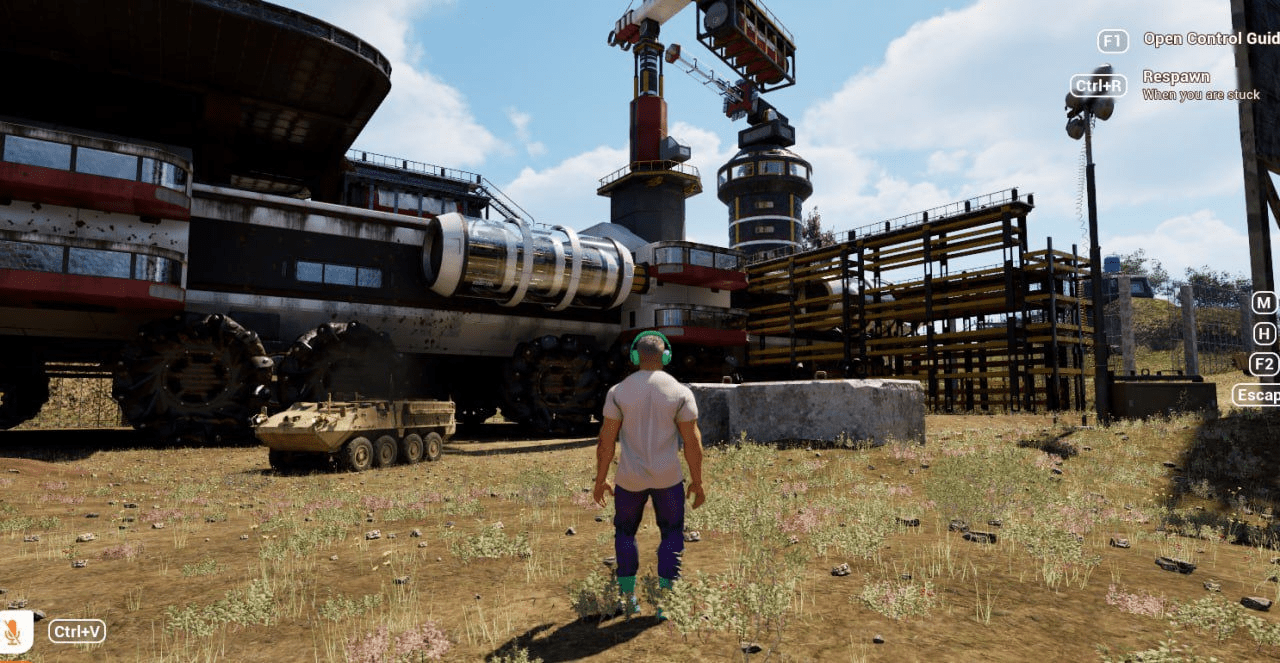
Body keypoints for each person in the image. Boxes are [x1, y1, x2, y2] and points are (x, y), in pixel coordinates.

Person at [593, 330, 705, 617]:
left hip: (629, 478)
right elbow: (692, 442)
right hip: (668, 478)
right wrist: (697, 481)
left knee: (625, 533)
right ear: (666, 356)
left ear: (635, 356)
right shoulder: (680, 392)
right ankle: (666, 602)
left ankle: (627, 597)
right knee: (671, 535)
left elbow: (606, 442)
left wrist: (601, 479)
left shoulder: (618, 392)